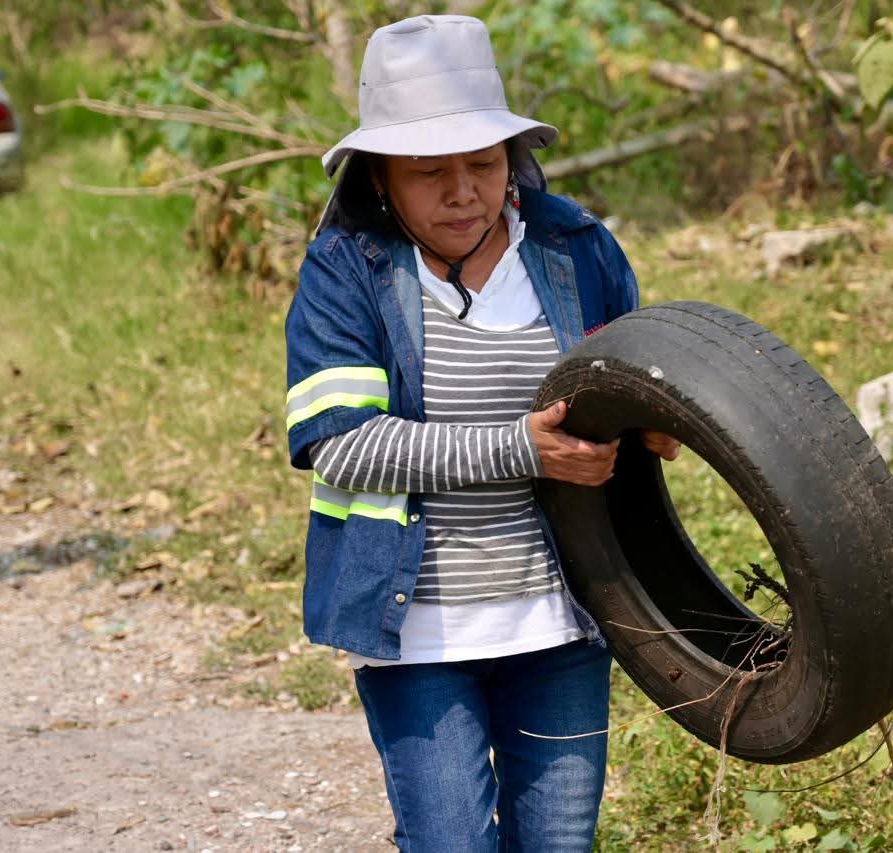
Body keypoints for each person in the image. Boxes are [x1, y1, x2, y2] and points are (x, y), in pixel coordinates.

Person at [283, 14, 680, 852]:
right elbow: (342, 444)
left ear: (513, 158)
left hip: (562, 617)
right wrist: (521, 447)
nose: (464, 191)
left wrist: (654, 423)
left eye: (485, 164)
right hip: (416, 631)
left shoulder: (574, 247)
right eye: (430, 172)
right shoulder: (346, 271)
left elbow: (629, 377)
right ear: (381, 175)